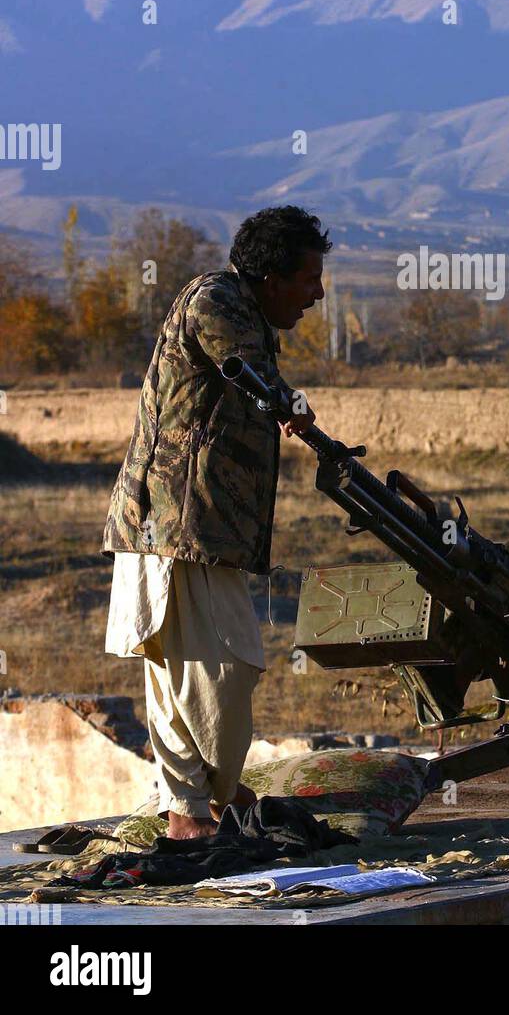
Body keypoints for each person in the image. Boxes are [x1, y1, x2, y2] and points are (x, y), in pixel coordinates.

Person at [103, 205, 329, 837]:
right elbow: (243, 368)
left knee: (189, 670)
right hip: (172, 523)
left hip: (201, 527)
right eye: (309, 277)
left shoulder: (249, 313)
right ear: (272, 274)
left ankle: (202, 804)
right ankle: (194, 809)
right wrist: (287, 402)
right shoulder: (215, 300)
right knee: (215, 667)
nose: (317, 293)